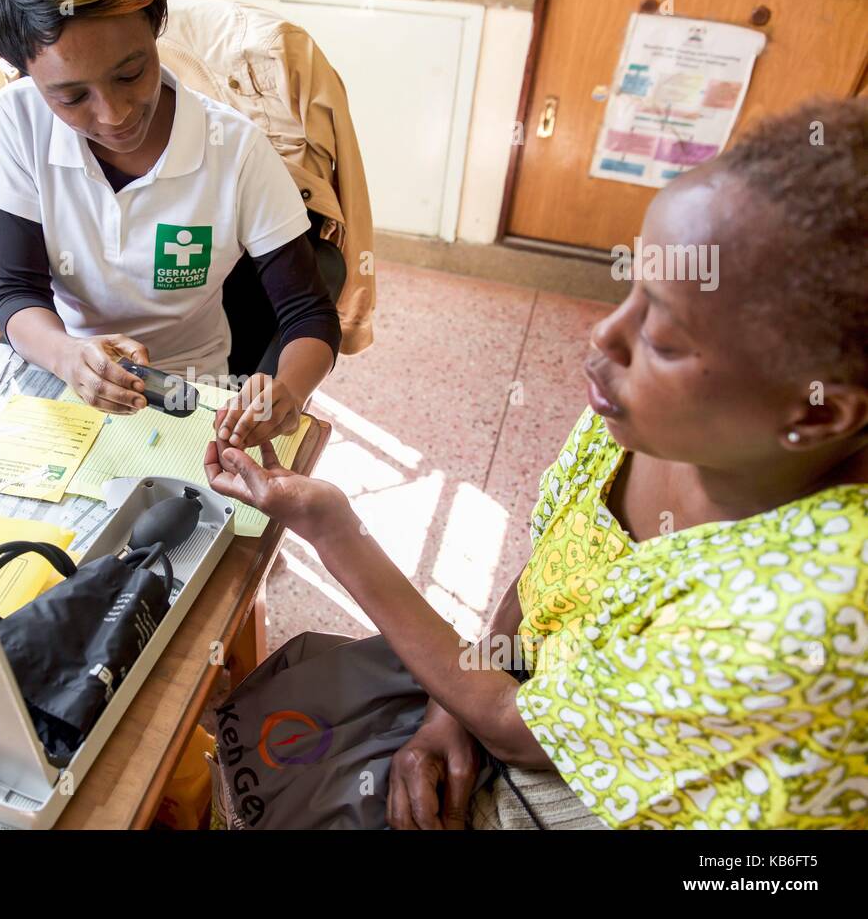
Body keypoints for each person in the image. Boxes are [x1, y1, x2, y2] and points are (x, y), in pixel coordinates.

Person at [206, 96, 868, 829]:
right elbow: (554, 571)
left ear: (814, 412)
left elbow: (521, 727)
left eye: (667, 339)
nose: (604, 336)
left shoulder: (806, 614)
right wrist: (447, 710)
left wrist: (333, 529)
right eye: (633, 289)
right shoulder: (636, 415)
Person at [0, 0, 341, 449]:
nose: (113, 114)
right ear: (24, 72)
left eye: (130, 73)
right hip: (60, 380)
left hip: (194, 398)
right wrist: (67, 356)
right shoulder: (18, 120)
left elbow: (309, 312)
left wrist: (287, 390)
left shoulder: (234, 150)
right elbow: (17, 290)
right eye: (72, 96)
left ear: (155, 26)